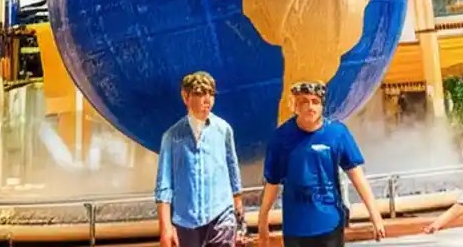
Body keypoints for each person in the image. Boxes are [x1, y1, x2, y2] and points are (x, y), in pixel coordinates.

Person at [257, 81, 386, 247]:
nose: (310, 107)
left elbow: (356, 175)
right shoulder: (280, 138)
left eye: (315, 101)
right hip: (296, 229)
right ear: (295, 106)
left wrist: (375, 215)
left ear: (322, 106)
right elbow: (272, 183)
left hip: (330, 225)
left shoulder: (337, 133)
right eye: (304, 102)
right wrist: (262, 222)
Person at [155, 72, 243, 247]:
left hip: (220, 213)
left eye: (210, 94)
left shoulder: (223, 130)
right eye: (200, 93)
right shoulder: (172, 137)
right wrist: (165, 227)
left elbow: (233, 171)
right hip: (187, 219)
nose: (207, 100)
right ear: (186, 97)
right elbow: (163, 185)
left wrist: (239, 213)